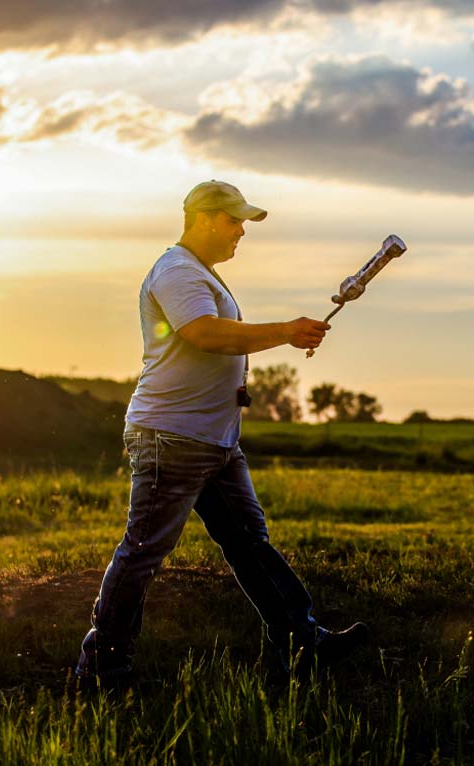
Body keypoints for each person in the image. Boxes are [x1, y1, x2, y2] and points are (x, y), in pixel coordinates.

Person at [75, 180, 369, 687]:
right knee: (143, 550)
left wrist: (287, 334)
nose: (240, 232)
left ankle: (303, 645)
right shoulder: (176, 271)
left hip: (215, 443)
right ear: (205, 218)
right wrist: (283, 331)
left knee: (251, 545)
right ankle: (101, 669)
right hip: (171, 438)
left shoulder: (200, 272)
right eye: (234, 221)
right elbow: (204, 334)